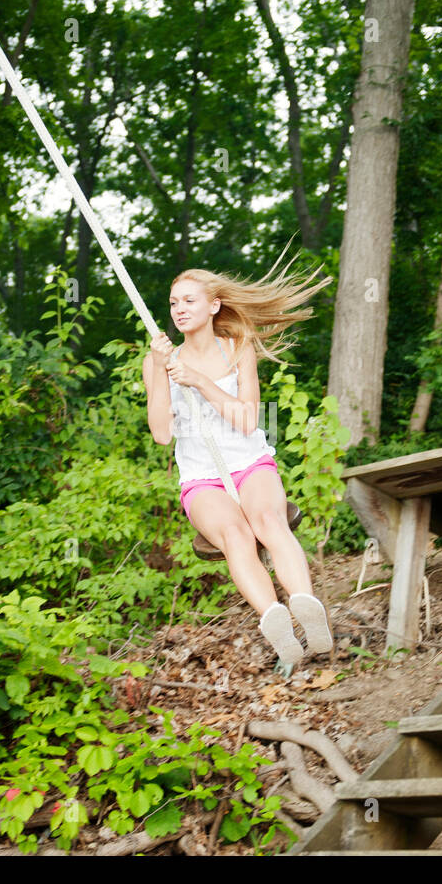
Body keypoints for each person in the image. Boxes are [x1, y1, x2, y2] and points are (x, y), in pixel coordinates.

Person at [142, 250, 334, 670]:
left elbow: (248, 420)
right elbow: (161, 434)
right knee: (234, 535)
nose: (179, 310)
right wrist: (160, 370)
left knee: (268, 521)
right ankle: (276, 621)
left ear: (214, 306)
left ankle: (307, 608)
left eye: (189, 300)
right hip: (202, 479)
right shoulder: (158, 361)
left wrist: (200, 382)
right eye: (174, 303)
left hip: (249, 463)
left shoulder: (237, 348)